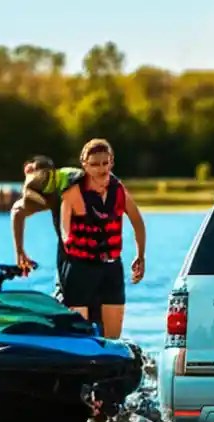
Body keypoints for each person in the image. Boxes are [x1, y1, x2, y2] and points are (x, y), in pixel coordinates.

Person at [57, 138, 146, 339]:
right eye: (95, 164)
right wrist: (67, 239)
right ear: (85, 165)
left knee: (112, 338)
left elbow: (137, 221)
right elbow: (64, 224)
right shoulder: (74, 191)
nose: (101, 169)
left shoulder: (119, 190)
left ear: (112, 162)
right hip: (81, 266)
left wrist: (140, 255)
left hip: (111, 267)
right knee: (79, 335)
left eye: (105, 163)